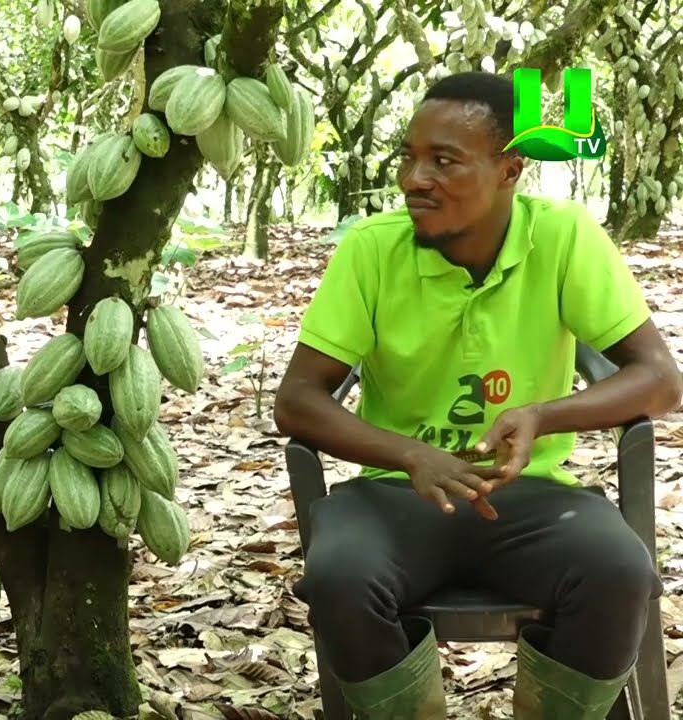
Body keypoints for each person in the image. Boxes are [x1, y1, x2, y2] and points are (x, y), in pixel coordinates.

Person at [272, 71, 683, 719]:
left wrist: (543, 415)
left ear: (511, 170)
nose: (414, 178)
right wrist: (410, 454)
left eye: (444, 161)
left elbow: (659, 380)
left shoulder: (563, 237)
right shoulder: (372, 252)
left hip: (529, 498)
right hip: (395, 497)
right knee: (338, 577)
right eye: (408, 156)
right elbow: (297, 400)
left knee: (618, 573)